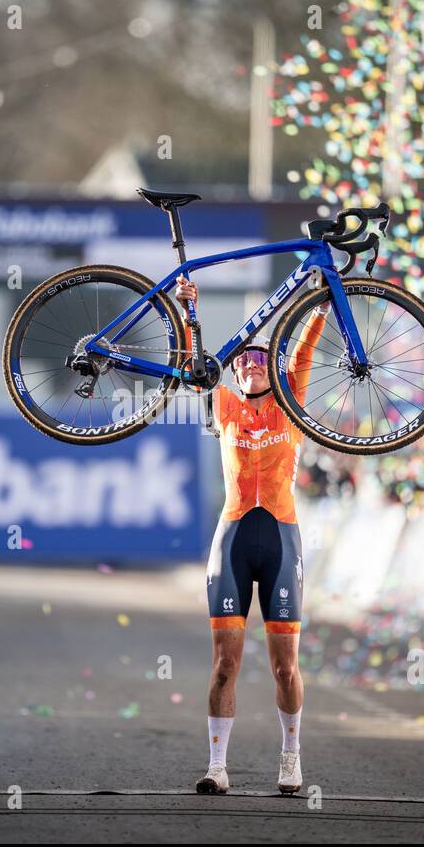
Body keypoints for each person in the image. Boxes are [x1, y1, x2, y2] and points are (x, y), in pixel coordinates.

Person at [175, 277, 328, 796]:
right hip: (234, 539)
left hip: (282, 540)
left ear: (275, 366)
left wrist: (322, 301)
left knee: (285, 667)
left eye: (261, 358)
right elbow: (195, 364)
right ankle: (217, 766)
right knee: (224, 665)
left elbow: (305, 345)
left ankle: (291, 759)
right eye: (242, 359)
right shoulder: (223, 405)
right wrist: (189, 309)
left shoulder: (292, 398)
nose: (250, 364)